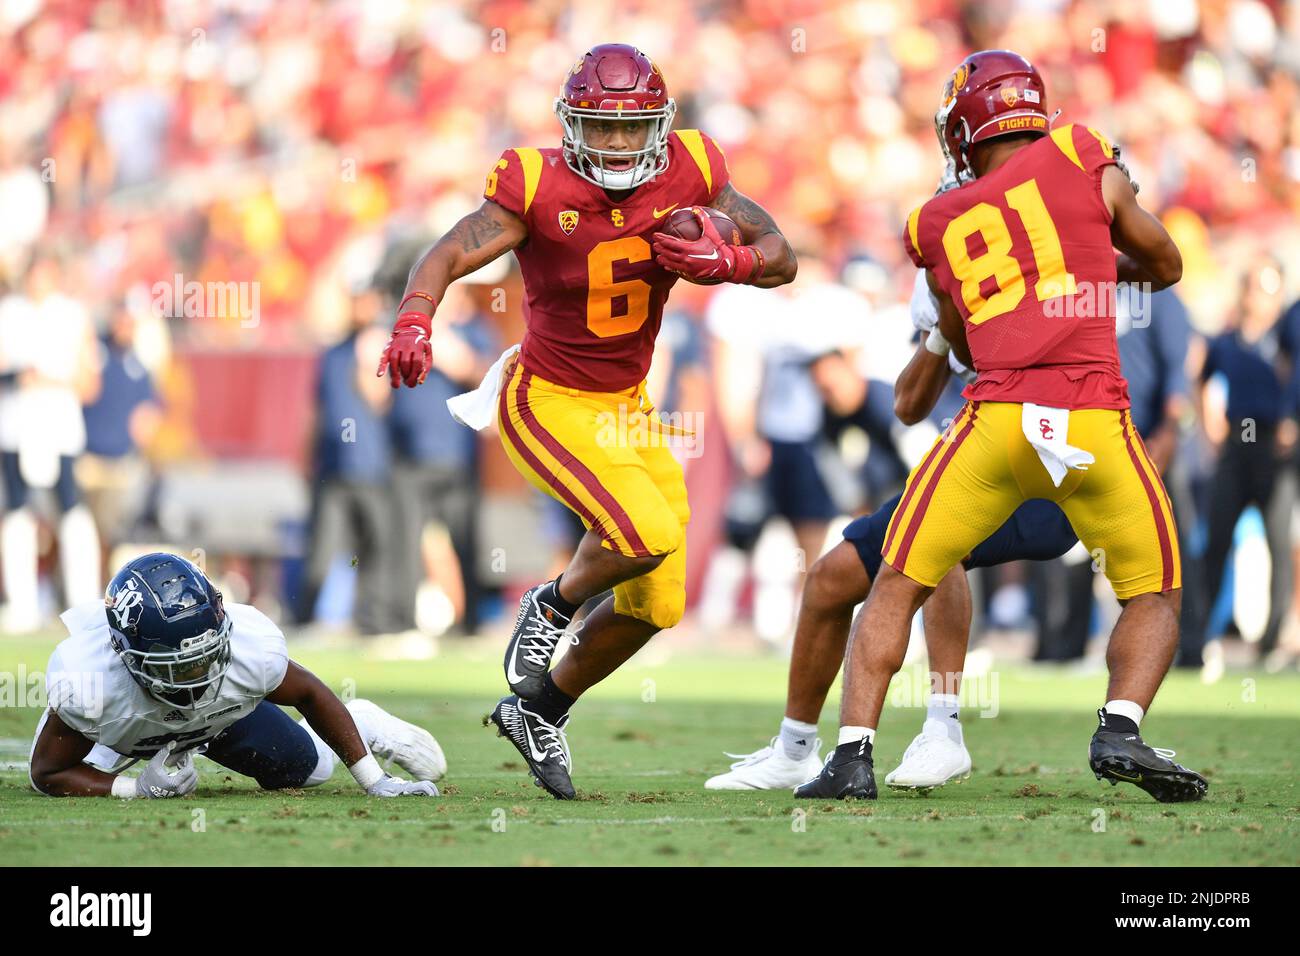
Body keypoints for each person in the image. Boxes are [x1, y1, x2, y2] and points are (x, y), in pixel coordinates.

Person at [377, 44, 796, 798]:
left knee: (660, 600)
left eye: (630, 130)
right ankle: (551, 603)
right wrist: (414, 320)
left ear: (661, 128)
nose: (614, 145)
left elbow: (782, 254)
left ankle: (541, 708)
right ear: (571, 126)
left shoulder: (694, 168)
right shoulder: (534, 181)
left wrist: (728, 265)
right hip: (547, 396)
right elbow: (446, 253)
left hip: (627, 407)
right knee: (644, 534)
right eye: (598, 129)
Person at [796, 50, 1205, 804]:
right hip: (1092, 419)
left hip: (996, 422)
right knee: (1154, 592)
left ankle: (851, 755)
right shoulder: (1085, 152)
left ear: (965, 129)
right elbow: (1169, 262)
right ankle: (1119, 726)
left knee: (896, 580)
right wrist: (1091, 259)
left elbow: (950, 340)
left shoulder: (936, 221)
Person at [29, 553, 443, 799]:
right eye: (177, 664)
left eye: (204, 656)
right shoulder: (91, 686)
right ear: (125, 652)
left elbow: (311, 694)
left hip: (220, 716)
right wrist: (134, 790)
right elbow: (47, 773)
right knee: (92, 768)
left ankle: (364, 720)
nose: (196, 674)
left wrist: (374, 781)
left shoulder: (250, 650)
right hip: (128, 727)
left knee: (311, 771)